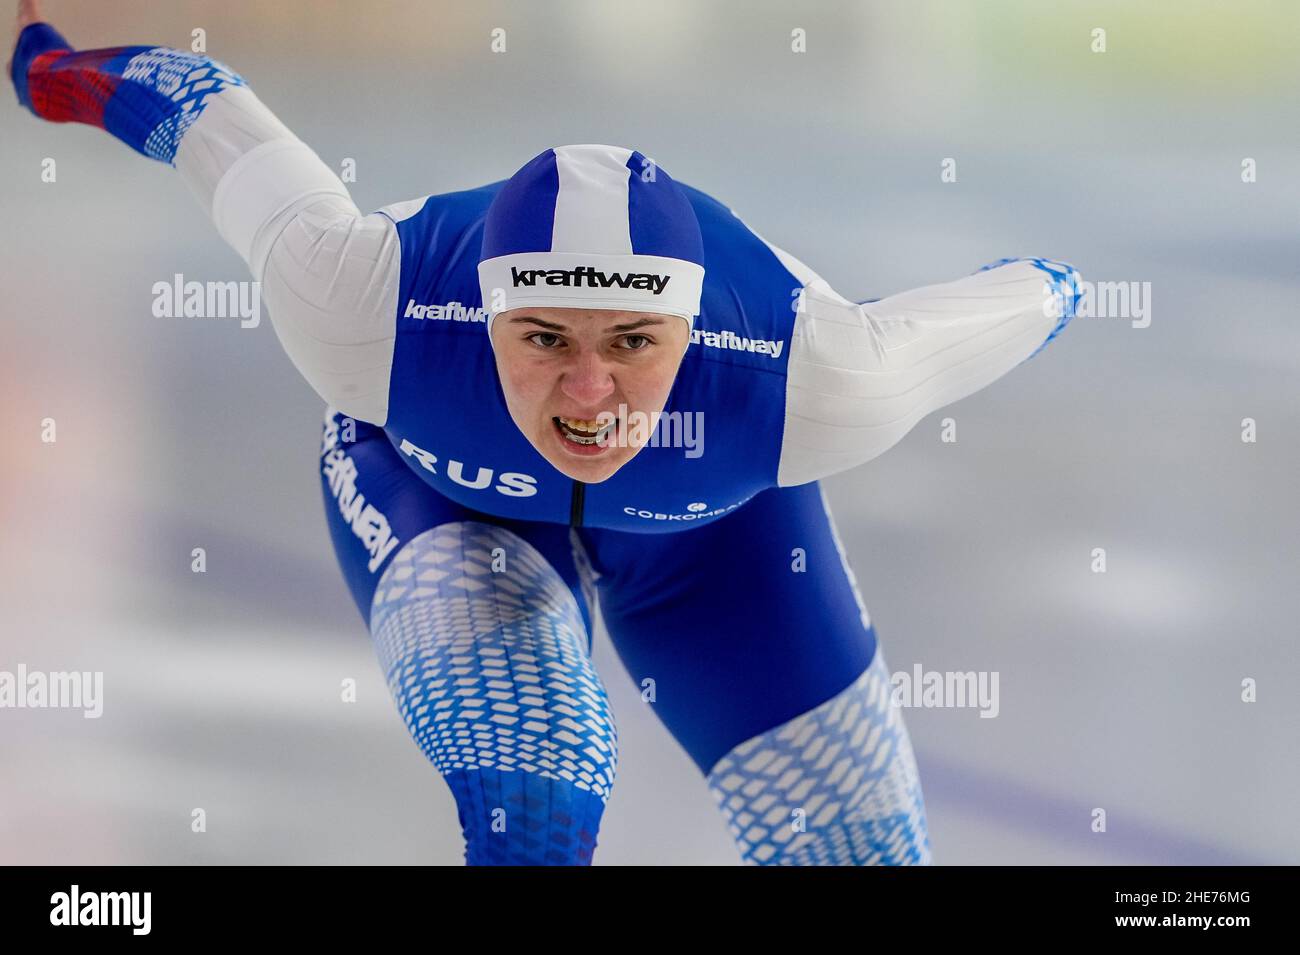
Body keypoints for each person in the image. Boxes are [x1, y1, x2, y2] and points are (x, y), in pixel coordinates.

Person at [9, 1, 1081, 865]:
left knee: (855, 852)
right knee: (535, 792)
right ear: (479, 312)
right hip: (444, 494)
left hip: (710, 530)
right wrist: (45, 68)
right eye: (540, 336)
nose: (586, 390)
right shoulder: (360, 301)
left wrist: (1057, 285)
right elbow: (206, 113)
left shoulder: (818, 376)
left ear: (690, 326)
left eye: (631, 341)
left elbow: (1005, 305)